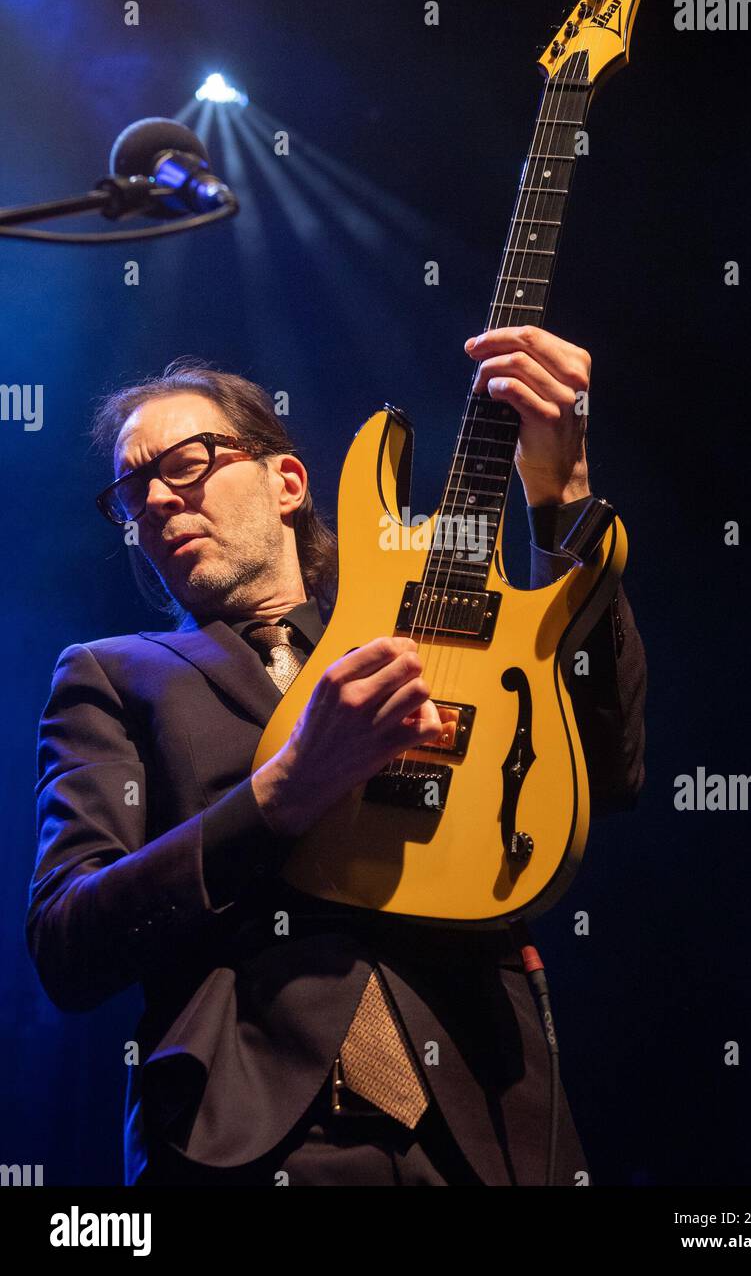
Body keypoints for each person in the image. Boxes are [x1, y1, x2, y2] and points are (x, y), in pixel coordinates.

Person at [27, 326, 647, 1185]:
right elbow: (68, 942)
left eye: (188, 462)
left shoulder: (423, 629)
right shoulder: (111, 675)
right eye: (132, 491)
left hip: (486, 1126)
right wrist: (280, 793)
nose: (158, 502)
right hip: (250, 1137)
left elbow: (608, 769)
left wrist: (560, 495)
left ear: (287, 481)